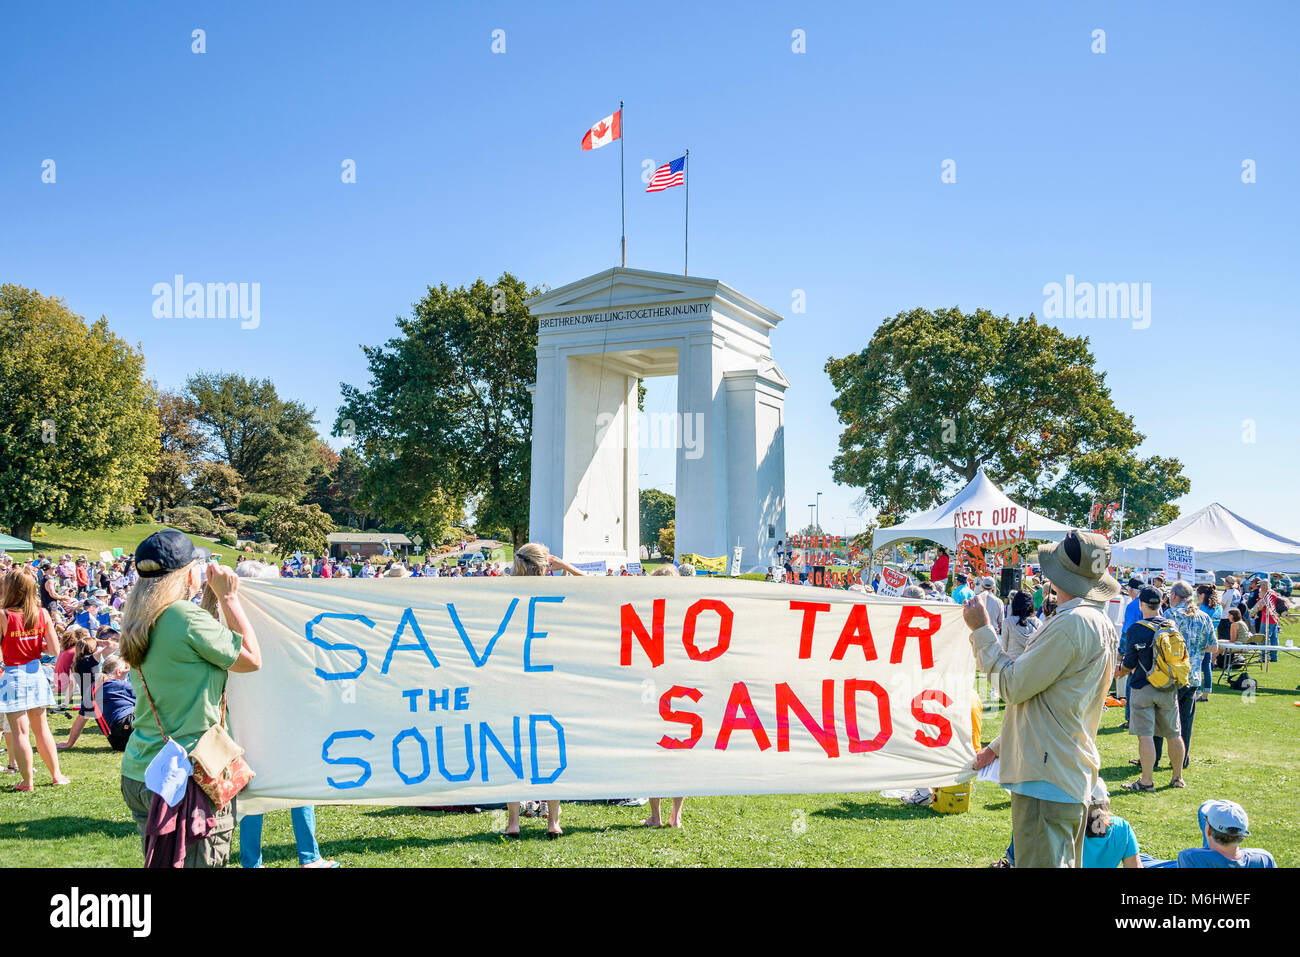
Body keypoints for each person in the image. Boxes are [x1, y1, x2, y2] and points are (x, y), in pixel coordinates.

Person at [965, 529, 1118, 867]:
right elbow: (1051, 705)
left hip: (1047, 778)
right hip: (1065, 772)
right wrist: (996, 747)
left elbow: (1013, 685)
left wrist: (981, 630)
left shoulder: (1072, 623)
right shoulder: (1098, 622)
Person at [119, 529, 262, 868]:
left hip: (143, 769)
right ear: (186, 572)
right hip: (192, 773)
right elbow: (251, 659)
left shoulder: (139, 615)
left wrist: (209, 600)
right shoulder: (184, 617)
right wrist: (228, 599)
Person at [504, 543, 585, 839]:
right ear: (546, 563)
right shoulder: (554, 592)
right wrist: (569, 568)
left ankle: (514, 821)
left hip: (513, 680)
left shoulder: (502, 589)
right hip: (549, 678)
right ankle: (553, 820)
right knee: (551, 747)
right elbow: (598, 592)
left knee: (515, 749)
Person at [0, 568, 72, 790]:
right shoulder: (41, 613)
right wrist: (34, 646)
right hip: (36, 673)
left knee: (20, 732)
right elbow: (53, 648)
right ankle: (56, 775)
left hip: (13, 674)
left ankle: (27, 782)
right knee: (42, 730)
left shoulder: (3, 615)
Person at [1116, 586, 1185, 791]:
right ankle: (1177, 778)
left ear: (1141, 604)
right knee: (1174, 733)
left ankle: (1146, 781)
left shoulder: (1136, 629)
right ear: (1161, 602)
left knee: (1145, 735)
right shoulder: (1172, 626)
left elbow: (1129, 662)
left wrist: (1120, 672)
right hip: (1168, 686)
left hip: (1143, 686)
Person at [1153, 580, 1215, 771]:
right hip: (1193, 675)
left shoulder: (1169, 615)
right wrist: (1195, 651)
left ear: (1174, 596)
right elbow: (1213, 647)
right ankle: (1182, 759)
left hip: (1170, 675)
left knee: (1161, 719)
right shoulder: (1204, 617)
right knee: (1185, 722)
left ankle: (1154, 758)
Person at [1176, 800, 1276, 868]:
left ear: (1209, 830)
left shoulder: (1190, 858)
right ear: (1242, 835)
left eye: (1206, 820)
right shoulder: (1263, 859)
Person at [1194, 584, 1221, 700]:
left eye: (1198, 595)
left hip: (1201, 639)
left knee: (1198, 666)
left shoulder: (1203, 608)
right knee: (1207, 666)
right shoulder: (1219, 607)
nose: (1197, 597)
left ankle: (1197, 692)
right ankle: (1206, 694)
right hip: (1212, 637)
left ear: (1203, 595)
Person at [999, 590, 1040, 659]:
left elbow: (1004, 647)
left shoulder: (1008, 622)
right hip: (1031, 662)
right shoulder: (1037, 623)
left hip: (1013, 663)